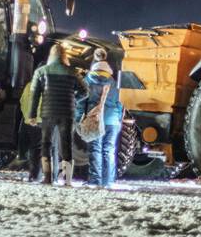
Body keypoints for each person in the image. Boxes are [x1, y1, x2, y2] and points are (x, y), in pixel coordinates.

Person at [29, 44, 84, 185]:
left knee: (45, 144)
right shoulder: (73, 72)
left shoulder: (41, 72)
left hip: (48, 112)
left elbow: (34, 95)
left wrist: (32, 115)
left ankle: (47, 177)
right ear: (64, 55)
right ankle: (67, 180)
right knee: (66, 145)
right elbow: (85, 91)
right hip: (67, 112)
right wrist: (74, 99)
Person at [81, 49, 124, 188]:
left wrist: (79, 118)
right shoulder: (113, 81)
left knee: (95, 149)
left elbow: (81, 101)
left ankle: (95, 180)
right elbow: (119, 102)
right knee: (109, 150)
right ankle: (109, 181)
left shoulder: (88, 80)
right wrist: (117, 118)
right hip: (112, 121)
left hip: (95, 119)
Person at [19, 81, 43, 182]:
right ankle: (43, 175)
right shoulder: (50, 84)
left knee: (35, 148)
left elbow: (22, 101)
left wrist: (27, 118)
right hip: (43, 120)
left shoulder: (29, 85)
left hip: (31, 121)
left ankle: (34, 174)